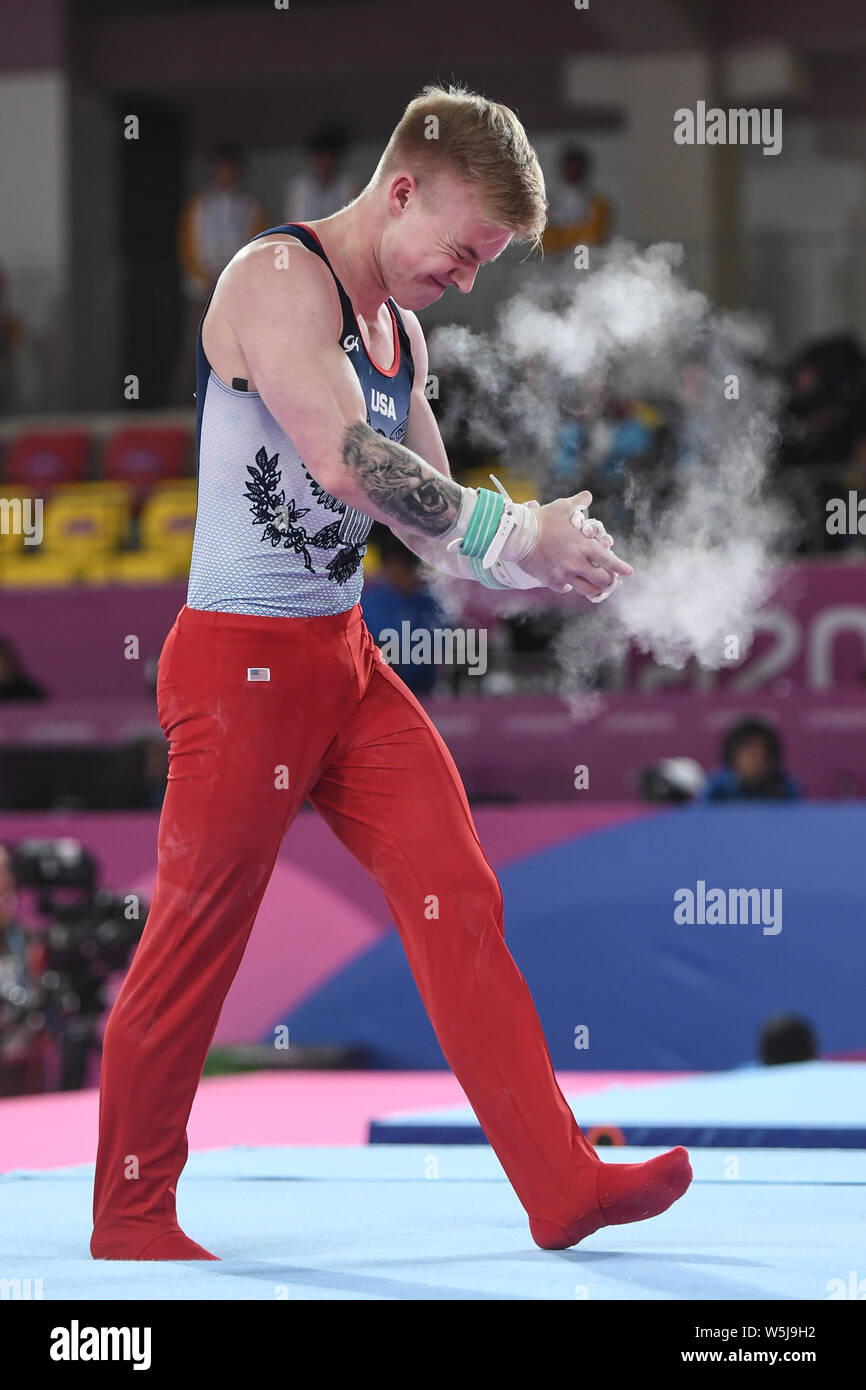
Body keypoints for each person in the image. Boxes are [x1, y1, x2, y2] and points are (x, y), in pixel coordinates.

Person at [91, 82, 689, 1263]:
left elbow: (429, 522)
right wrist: (509, 530)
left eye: (486, 264)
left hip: (343, 661)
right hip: (237, 667)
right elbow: (345, 457)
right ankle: (131, 1210)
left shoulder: (399, 335)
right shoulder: (270, 280)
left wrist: (543, 552)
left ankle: (558, 1182)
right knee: (199, 936)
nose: (467, 279)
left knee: (457, 892)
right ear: (402, 188)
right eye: (464, 250)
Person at [172, 145, 268, 405]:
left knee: (238, 348)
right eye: (222, 169)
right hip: (201, 289)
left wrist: (231, 280)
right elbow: (188, 246)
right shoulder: (198, 206)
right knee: (194, 346)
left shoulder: (250, 207)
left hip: (236, 291)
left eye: (231, 169)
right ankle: (182, 403)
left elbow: (256, 246)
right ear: (215, 171)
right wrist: (206, 277)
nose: (227, 174)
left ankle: (237, 402)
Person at [702, 717, 801, 801]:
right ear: (732, 754)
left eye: (761, 749)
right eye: (748, 748)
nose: (754, 756)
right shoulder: (717, 788)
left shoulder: (785, 788)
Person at [541, 146, 611, 257]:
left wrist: (562, 235)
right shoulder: (550, 204)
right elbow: (543, 240)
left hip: (586, 259)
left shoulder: (598, 204)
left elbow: (592, 237)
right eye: (569, 167)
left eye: (576, 167)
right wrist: (572, 234)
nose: (572, 172)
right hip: (555, 263)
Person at [284, 121, 359, 224]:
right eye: (320, 158)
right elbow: (296, 225)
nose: (325, 164)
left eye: (329, 158)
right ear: (313, 159)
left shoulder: (349, 187)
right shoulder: (299, 189)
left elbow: (352, 223)